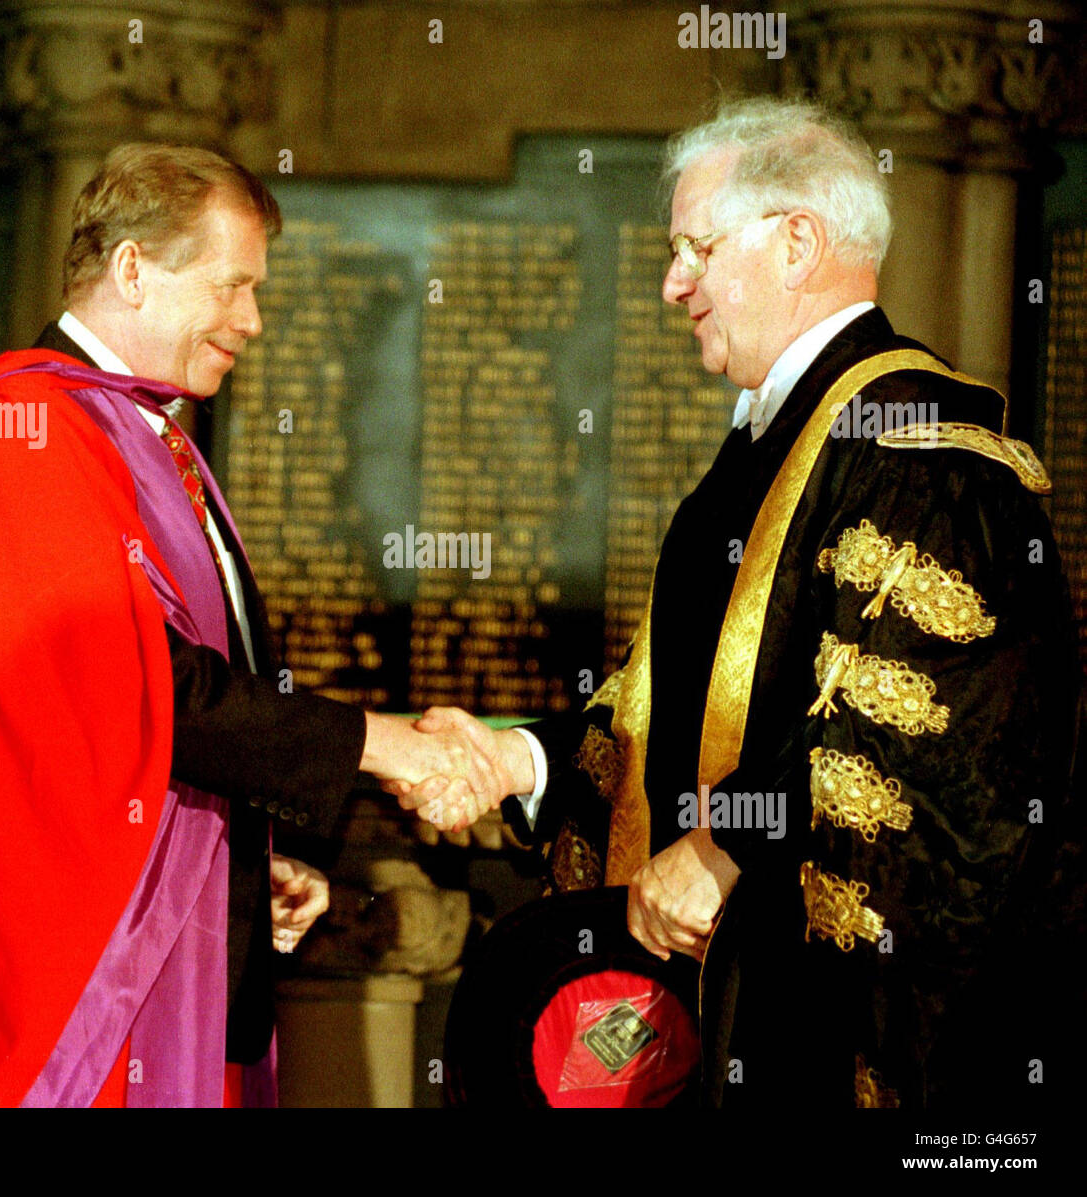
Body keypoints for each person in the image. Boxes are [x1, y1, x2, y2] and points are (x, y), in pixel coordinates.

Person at [0, 143, 502, 1108]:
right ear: (133, 269)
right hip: (56, 981)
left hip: (163, 959)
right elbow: (127, 692)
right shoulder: (25, 432)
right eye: (233, 286)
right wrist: (386, 745)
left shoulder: (131, 430)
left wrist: (251, 859)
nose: (251, 319)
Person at [402, 96, 1081, 1109]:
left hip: (814, 1029)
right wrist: (520, 759)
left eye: (696, 248)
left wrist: (725, 849)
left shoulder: (918, 454)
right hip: (723, 1009)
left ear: (797, 241)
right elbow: (676, 708)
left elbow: (918, 747)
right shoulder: (765, 453)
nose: (674, 284)